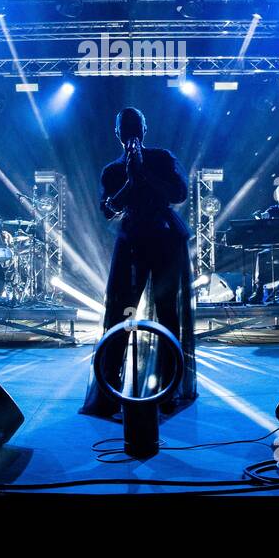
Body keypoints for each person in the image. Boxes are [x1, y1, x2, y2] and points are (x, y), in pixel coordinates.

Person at [81, 107, 197, 418]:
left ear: (144, 129)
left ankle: (169, 388)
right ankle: (111, 387)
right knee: (120, 312)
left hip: (163, 239)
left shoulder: (162, 157)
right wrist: (131, 182)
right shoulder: (112, 171)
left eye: (135, 125)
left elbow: (180, 192)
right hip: (132, 242)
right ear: (117, 133)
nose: (131, 131)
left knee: (168, 312)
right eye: (125, 127)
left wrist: (144, 174)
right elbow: (107, 209)